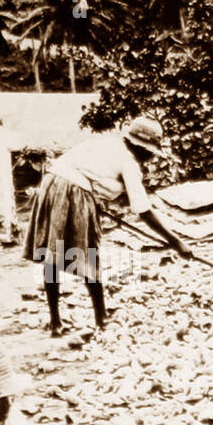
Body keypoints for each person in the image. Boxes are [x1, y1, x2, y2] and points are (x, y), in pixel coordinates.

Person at [24, 115, 194, 337]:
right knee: (88, 253)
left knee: (53, 255)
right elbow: (143, 210)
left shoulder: (107, 142)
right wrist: (176, 242)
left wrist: (93, 198)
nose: (150, 157)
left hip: (51, 184)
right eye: (150, 151)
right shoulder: (129, 162)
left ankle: (56, 322)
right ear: (139, 147)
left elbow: (89, 173)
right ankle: (101, 318)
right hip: (73, 190)